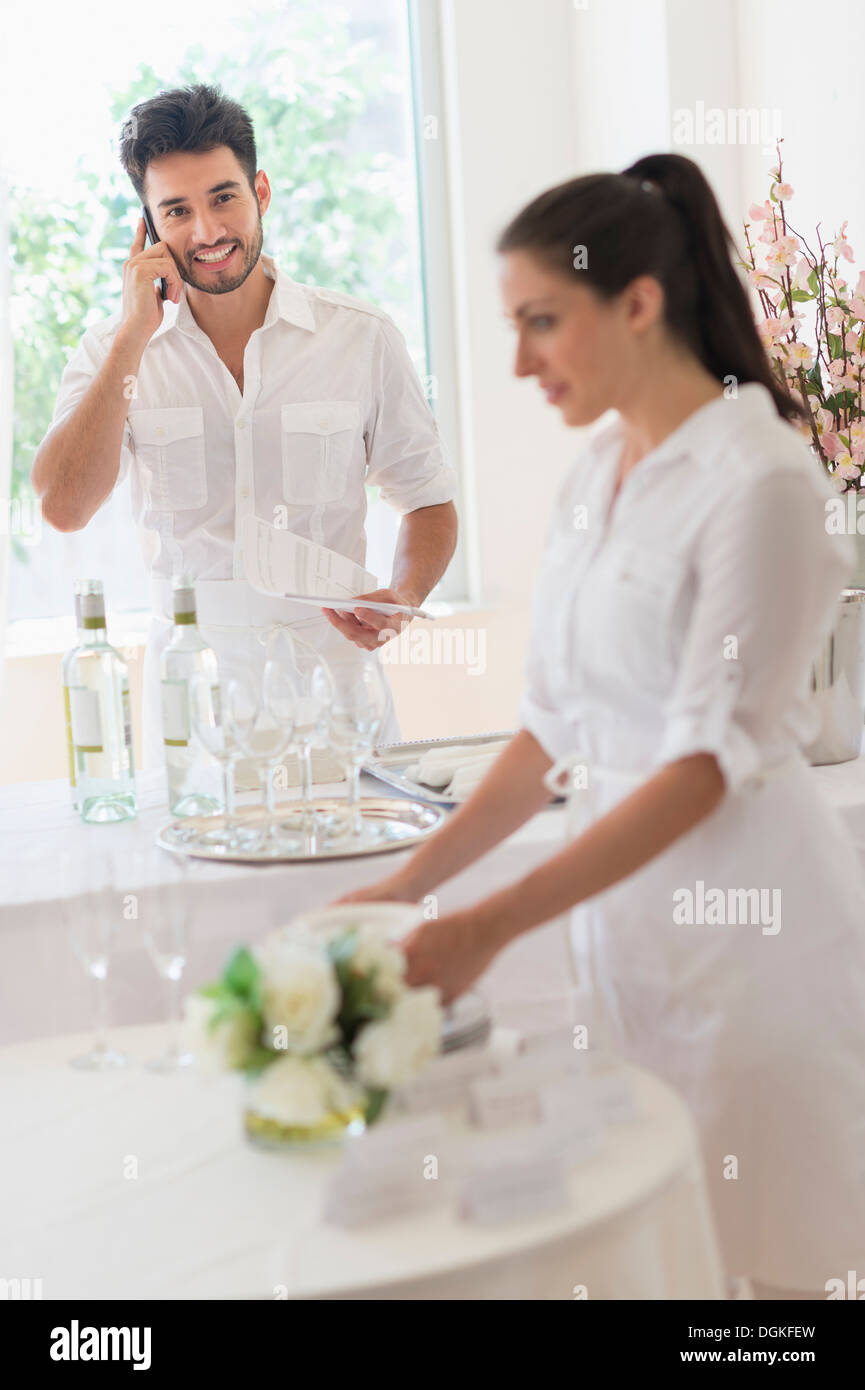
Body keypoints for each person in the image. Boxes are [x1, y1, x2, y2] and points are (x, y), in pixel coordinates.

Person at [338, 153, 865, 1299]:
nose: (519, 361)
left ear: (637, 302)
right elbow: (545, 729)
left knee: (773, 1276)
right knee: (659, 1263)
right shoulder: (593, 476)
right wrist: (410, 887)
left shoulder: (761, 481)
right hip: (622, 940)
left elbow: (700, 769)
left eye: (541, 322)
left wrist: (489, 924)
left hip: (749, 949)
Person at [31, 84, 457, 765]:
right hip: (193, 704)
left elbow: (427, 500)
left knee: (357, 868)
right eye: (176, 210)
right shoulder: (112, 350)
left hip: (337, 697)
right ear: (146, 226)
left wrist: (402, 596)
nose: (205, 233)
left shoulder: (360, 337)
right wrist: (133, 337)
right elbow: (64, 506)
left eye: (222, 197)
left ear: (259, 191)